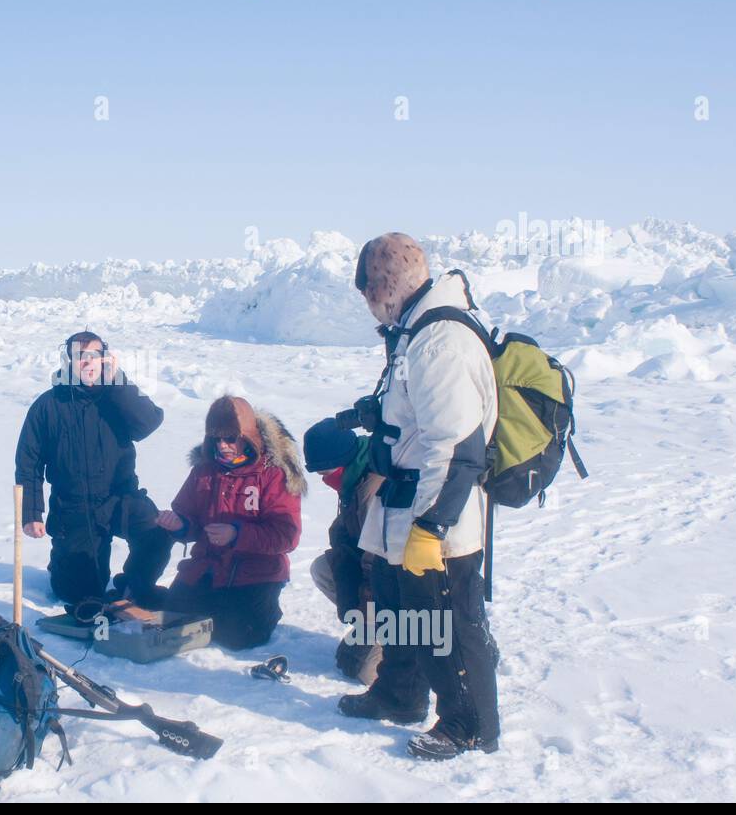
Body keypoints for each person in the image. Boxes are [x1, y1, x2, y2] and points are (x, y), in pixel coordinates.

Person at [337, 232, 501, 760]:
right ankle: (399, 693)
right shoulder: (414, 333)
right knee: (397, 608)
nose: (368, 304)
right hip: (399, 506)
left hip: (435, 516)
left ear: (384, 286)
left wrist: (431, 530)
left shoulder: (440, 341)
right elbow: (412, 414)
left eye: (368, 291)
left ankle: (468, 723)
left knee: (446, 623)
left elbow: (457, 449)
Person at [15, 331, 173, 611]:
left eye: (94, 356)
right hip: (73, 509)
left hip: (120, 499)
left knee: (158, 530)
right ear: (69, 361)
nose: (87, 363)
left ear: (105, 359)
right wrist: (31, 513)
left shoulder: (118, 397)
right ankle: (64, 561)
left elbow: (149, 423)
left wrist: (118, 381)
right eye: (80, 357)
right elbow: (29, 462)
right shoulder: (49, 405)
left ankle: (134, 583)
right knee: (81, 594)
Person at [157, 396, 306, 650]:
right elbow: (187, 515)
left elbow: (286, 535)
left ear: (246, 436)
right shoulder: (204, 470)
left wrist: (237, 534)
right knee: (174, 621)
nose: (222, 445)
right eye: (216, 438)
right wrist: (178, 524)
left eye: (229, 438)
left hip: (256, 572)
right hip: (207, 567)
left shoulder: (272, 474)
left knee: (240, 636)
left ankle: (267, 611)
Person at [303, 418, 383, 685]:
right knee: (323, 568)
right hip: (373, 574)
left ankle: (406, 639)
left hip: (396, 584)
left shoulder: (372, 486)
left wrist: (362, 604)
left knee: (368, 675)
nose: (324, 480)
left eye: (325, 473)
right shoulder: (354, 476)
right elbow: (344, 532)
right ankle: (373, 629)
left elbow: (379, 559)